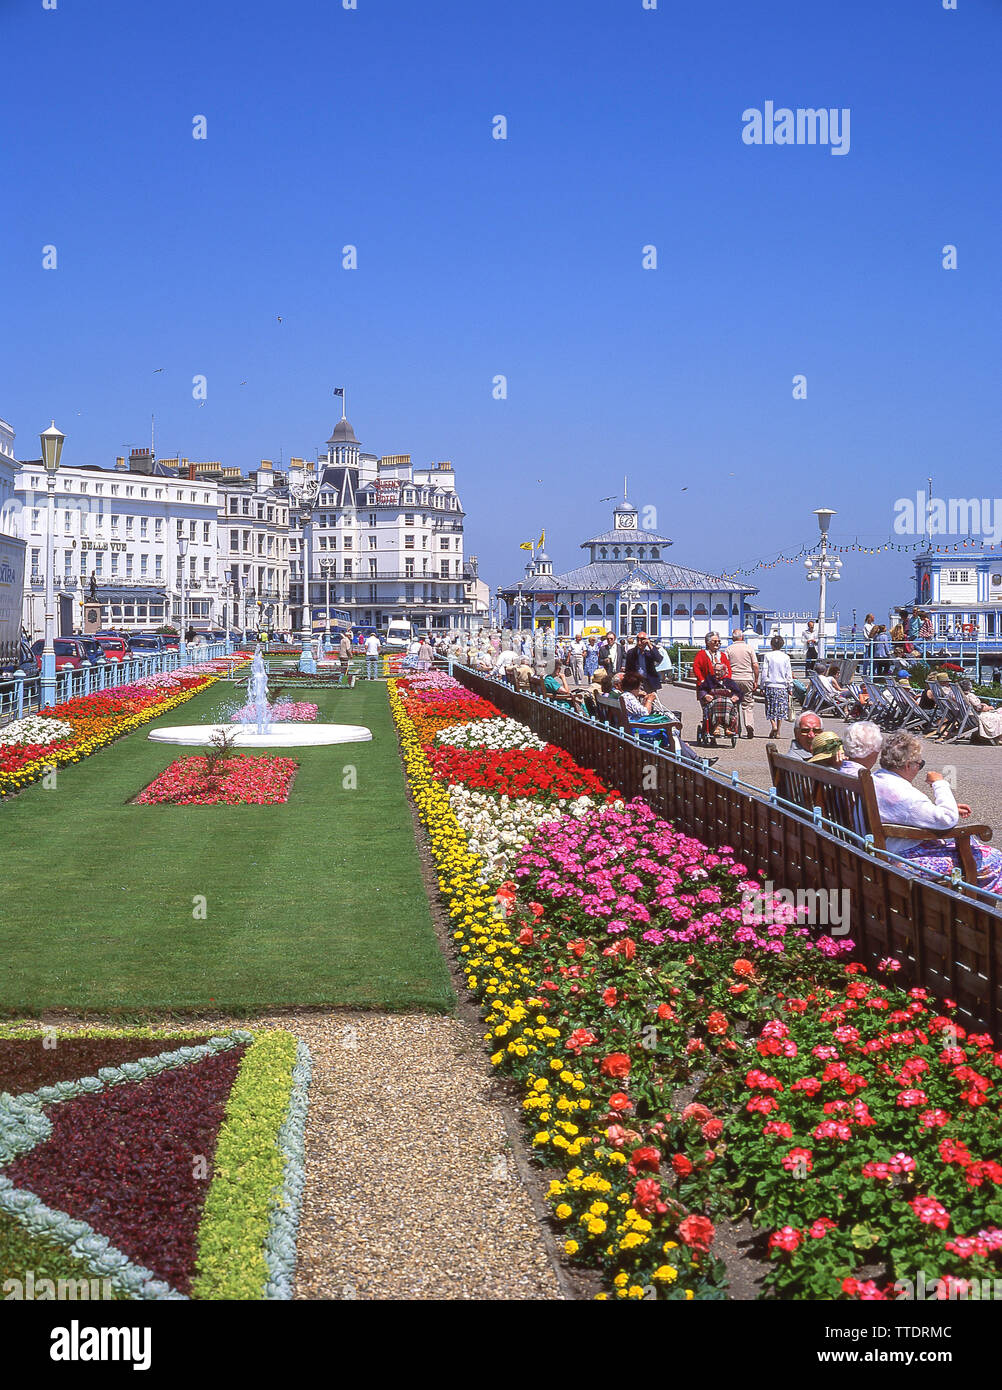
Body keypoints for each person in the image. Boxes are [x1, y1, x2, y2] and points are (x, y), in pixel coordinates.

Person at [874, 730, 1002, 892]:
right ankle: (979, 914)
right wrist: (940, 783)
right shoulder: (903, 793)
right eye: (920, 764)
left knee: (973, 844)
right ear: (908, 765)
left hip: (885, 848)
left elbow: (904, 812)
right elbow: (947, 820)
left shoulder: (876, 779)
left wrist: (944, 808)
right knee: (993, 858)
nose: (919, 768)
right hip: (901, 856)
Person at [693, 632, 741, 737]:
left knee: (727, 704)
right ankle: (712, 728)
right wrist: (701, 680)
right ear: (708, 642)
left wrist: (727, 683)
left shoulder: (722, 655)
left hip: (721, 687)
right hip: (707, 686)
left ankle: (727, 726)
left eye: (719, 641)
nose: (717, 644)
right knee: (709, 707)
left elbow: (728, 670)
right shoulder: (701, 654)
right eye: (715, 641)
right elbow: (696, 668)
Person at [727, 627, 760, 738]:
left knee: (734, 704)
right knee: (747, 704)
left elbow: (725, 665)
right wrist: (756, 680)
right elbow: (755, 665)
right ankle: (749, 724)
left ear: (733, 638)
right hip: (747, 678)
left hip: (733, 678)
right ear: (743, 637)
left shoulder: (729, 649)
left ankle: (736, 729)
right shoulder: (749, 648)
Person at [760, 633, 794, 739]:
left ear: (771, 645)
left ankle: (773, 725)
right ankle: (778, 731)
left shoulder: (768, 656)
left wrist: (762, 685)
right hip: (782, 686)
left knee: (770, 707)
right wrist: (790, 686)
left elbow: (764, 671)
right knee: (781, 709)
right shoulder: (786, 657)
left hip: (770, 684)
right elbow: (788, 673)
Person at [624, 631, 666, 701]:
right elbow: (628, 669)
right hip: (636, 681)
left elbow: (659, 659)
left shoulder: (650, 651)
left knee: (649, 702)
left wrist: (649, 644)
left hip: (649, 681)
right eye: (638, 639)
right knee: (635, 703)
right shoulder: (631, 652)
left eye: (642, 639)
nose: (640, 642)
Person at [959, 679, 1002, 744]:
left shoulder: (960, 695)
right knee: (999, 717)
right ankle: (998, 738)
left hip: (968, 717)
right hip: (975, 718)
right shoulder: (970, 695)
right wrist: (989, 707)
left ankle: (977, 738)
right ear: (969, 687)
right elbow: (979, 709)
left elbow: (975, 706)